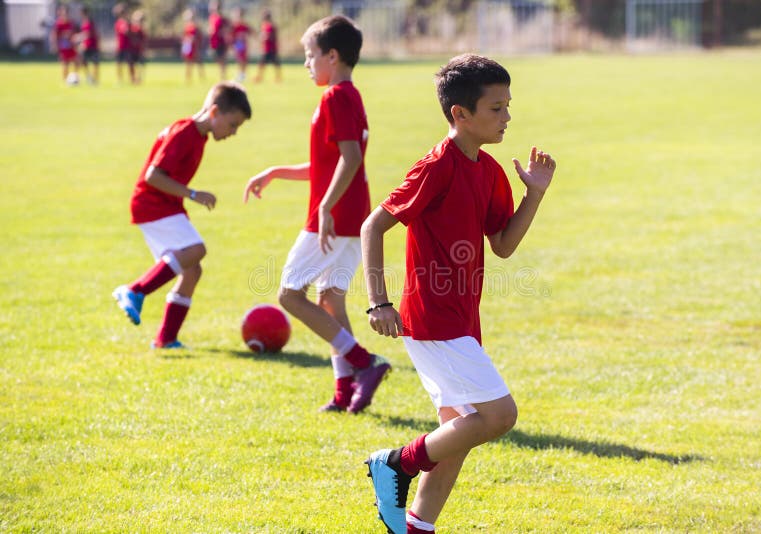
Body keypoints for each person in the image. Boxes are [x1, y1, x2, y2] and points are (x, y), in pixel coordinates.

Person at [361, 54, 556, 534]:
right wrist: (379, 302)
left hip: (463, 319)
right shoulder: (435, 167)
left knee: (458, 431)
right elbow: (373, 225)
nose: (507, 117)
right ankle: (397, 463)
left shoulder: (488, 170)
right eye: (496, 108)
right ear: (460, 114)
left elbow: (503, 245)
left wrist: (534, 194)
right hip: (433, 318)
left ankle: (416, 526)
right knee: (499, 415)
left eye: (508, 106)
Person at [243, 15, 390, 414]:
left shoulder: (335, 97)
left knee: (289, 294)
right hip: (352, 215)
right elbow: (328, 165)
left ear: (332, 56)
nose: (306, 63)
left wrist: (325, 206)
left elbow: (351, 158)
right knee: (330, 302)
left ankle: (365, 362)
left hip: (335, 216)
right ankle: (344, 391)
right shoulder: (350, 96)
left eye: (310, 55)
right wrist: (276, 172)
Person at [112, 82, 251, 349]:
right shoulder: (185, 132)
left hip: (165, 205)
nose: (234, 132)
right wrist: (193, 194)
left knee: (191, 270)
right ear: (214, 112)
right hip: (152, 204)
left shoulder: (197, 134)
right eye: (233, 124)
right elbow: (153, 176)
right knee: (196, 249)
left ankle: (165, 339)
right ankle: (134, 291)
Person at [52, 5, 79, 85]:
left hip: (71, 46)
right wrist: (55, 46)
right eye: (63, 13)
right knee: (65, 64)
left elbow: (74, 33)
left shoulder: (71, 23)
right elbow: (54, 35)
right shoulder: (58, 24)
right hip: (63, 47)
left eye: (66, 13)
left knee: (76, 62)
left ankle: (74, 77)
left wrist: (75, 41)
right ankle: (65, 80)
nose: (65, 14)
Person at [254, 9, 281, 84]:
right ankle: (259, 77)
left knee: (275, 63)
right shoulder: (264, 25)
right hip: (266, 48)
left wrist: (264, 36)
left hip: (270, 48)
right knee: (262, 63)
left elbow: (272, 36)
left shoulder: (271, 26)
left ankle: (278, 77)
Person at [77, 6, 100, 85]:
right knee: (83, 62)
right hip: (86, 46)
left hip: (91, 45)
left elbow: (88, 34)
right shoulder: (84, 22)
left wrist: (77, 37)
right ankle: (89, 77)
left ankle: (95, 79)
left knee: (95, 63)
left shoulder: (90, 22)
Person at [181, 8, 205, 84]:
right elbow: (184, 36)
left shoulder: (196, 27)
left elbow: (199, 36)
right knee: (188, 62)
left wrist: (197, 43)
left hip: (195, 46)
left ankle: (202, 76)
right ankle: (188, 77)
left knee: (198, 61)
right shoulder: (186, 26)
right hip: (188, 46)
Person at [208, 1, 230, 80]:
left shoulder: (222, 18)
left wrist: (223, 32)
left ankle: (223, 76)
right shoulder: (212, 17)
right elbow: (211, 27)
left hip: (221, 42)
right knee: (216, 58)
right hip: (214, 41)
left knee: (222, 58)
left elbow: (227, 28)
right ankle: (222, 74)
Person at [112, 3, 132, 84]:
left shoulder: (127, 22)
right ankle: (119, 79)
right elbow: (124, 31)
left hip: (127, 46)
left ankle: (131, 79)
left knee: (129, 63)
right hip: (120, 46)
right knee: (119, 63)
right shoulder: (119, 22)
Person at [230, 6, 252, 82]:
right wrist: (232, 43)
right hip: (238, 44)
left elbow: (250, 32)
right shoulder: (234, 25)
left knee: (243, 59)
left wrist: (244, 36)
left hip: (243, 44)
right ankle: (240, 74)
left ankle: (243, 74)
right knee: (239, 59)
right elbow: (231, 35)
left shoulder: (244, 25)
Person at [128, 9, 146, 84]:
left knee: (140, 65)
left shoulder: (141, 29)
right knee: (131, 65)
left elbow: (143, 40)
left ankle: (138, 79)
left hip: (139, 50)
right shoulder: (131, 27)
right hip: (132, 49)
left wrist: (143, 50)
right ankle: (133, 79)